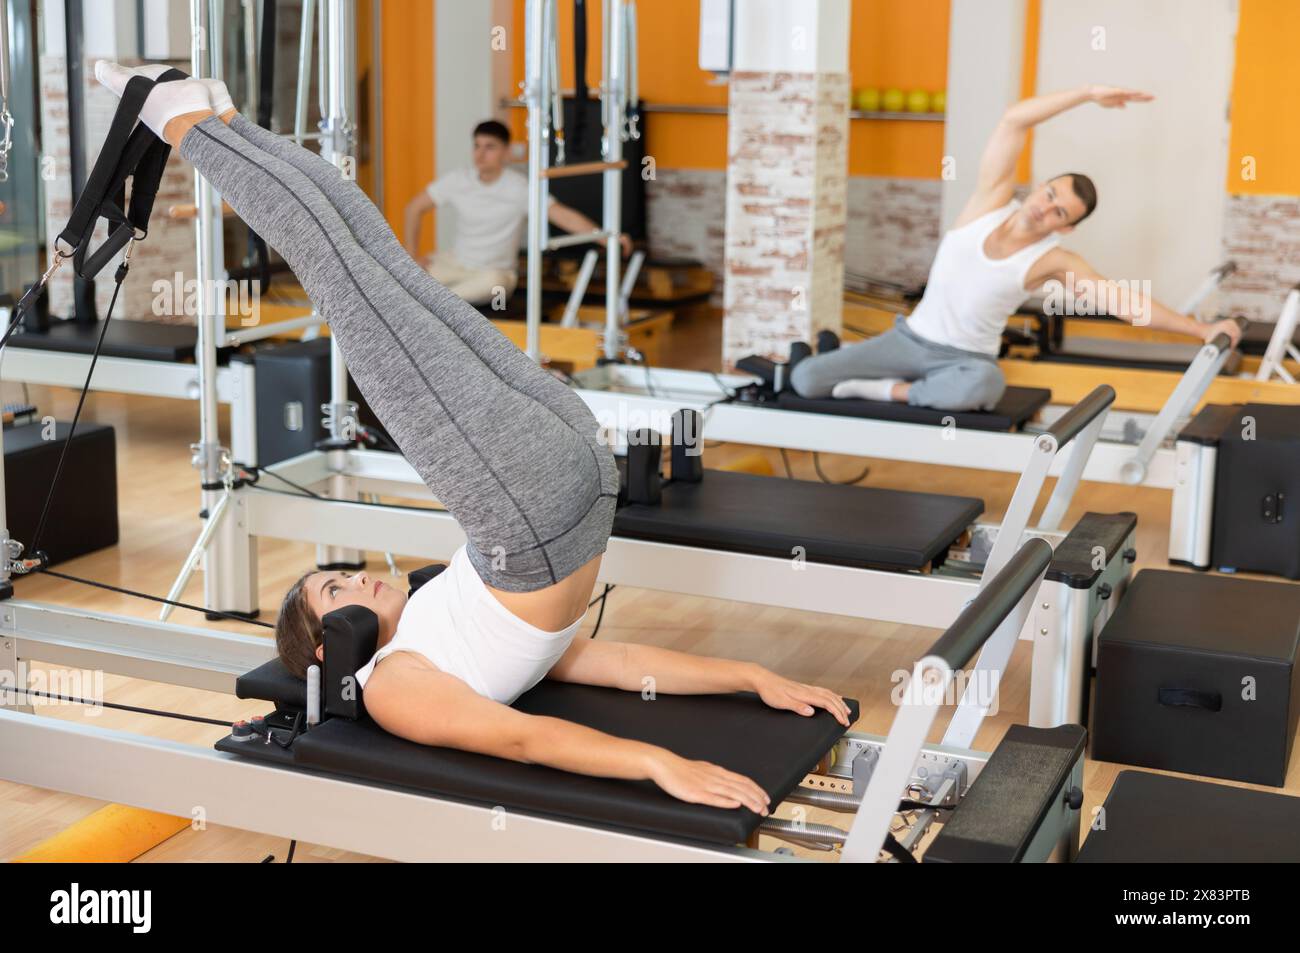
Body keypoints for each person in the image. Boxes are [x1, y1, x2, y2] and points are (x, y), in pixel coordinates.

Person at [94, 63, 849, 815]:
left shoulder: (432, 613)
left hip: (567, 467)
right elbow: (528, 734)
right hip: (537, 506)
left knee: (371, 250)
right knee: (333, 267)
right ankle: (180, 122)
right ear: (329, 650)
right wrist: (662, 757)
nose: (356, 579)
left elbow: (620, 665)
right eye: (335, 591)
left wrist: (748, 675)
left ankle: (224, 126)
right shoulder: (392, 684)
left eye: (342, 576)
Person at [791, 85, 1244, 412]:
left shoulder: (1053, 260)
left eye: (1060, 213)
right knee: (805, 379)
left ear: (1065, 229)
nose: (1046, 210)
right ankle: (856, 365)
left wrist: (1201, 331)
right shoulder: (987, 202)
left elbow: (1126, 304)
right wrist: (1087, 94)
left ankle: (882, 390)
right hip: (909, 340)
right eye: (1050, 195)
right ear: (1040, 187)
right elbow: (1015, 119)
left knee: (983, 387)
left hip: (967, 361)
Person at [401, 119, 632, 305]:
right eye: (477, 146)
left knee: (489, 285)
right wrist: (412, 254)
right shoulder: (458, 179)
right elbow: (414, 208)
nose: (480, 154)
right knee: (404, 280)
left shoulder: (519, 188)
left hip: (495, 275)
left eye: (490, 147)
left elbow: (561, 215)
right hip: (454, 264)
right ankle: (434, 301)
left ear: (506, 152)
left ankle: (438, 303)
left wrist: (606, 236)